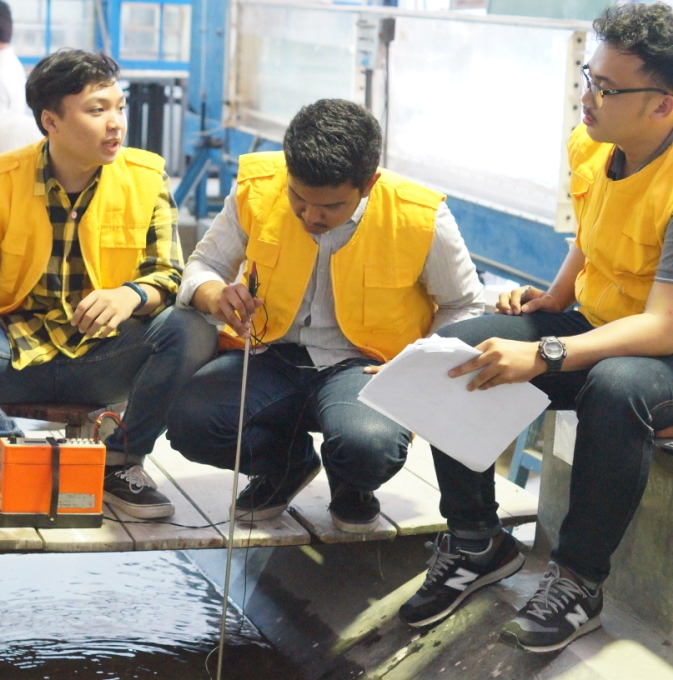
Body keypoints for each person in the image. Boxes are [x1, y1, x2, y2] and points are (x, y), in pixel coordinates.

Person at [397, 1, 673, 653]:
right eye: (587, 76)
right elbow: (593, 231)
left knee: (615, 386)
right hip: (601, 328)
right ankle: (477, 543)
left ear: (662, 104)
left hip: (654, 353)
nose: (587, 97)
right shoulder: (597, 144)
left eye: (606, 89)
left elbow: (662, 328)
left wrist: (548, 352)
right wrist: (552, 299)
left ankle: (577, 581)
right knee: (459, 349)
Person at [0, 49, 216, 519]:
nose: (115, 124)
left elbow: (168, 274)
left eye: (119, 107)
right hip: (11, 352)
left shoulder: (146, 176)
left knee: (193, 328)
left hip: (105, 356)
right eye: (97, 109)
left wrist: (130, 295)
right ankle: (6, 453)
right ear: (51, 120)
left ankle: (123, 461)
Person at [166, 99, 484, 531]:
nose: (309, 215)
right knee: (191, 423)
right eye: (298, 197)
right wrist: (212, 293)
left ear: (368, 183)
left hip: (364, 367)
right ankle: (287, 465)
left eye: (329, 206)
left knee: (368, 448)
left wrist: (417, 368)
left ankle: (352, 480)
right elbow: (202, 266)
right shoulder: (258, 188)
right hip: (268, 355)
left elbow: (465, 303)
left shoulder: (420, 216)